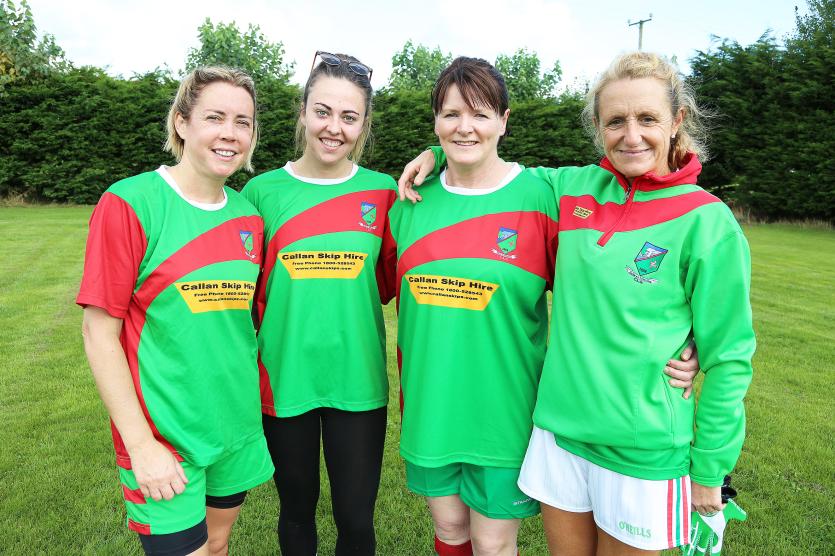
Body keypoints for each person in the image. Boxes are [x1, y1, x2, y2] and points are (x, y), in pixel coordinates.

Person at [400, 51, 754, 555]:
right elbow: (483, 164)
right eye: (616, 121)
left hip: (642, 449)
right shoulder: (572, 190)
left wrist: (710, 467)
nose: (631, 136)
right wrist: (433, 155)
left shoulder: (708, 221)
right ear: (598, 128)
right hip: (558, 437)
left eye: (647, 119)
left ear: (677, 121)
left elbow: (731, 357)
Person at [78, 66, 274, 556]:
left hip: (234, 427)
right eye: (215, 117)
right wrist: (142, 446)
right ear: (182, 123)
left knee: (218, 544)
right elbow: (98, 334)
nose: (230, 133)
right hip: (165, 439)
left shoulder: (248, 216)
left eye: (243, 122)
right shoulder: (131, 202)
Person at [240, 52, 396, 556]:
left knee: (355, 520)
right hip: (285, 380)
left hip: (358, 381)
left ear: (364, 124)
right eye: (323, 111)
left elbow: (386, 282)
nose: (334, 128)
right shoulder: (261, 192)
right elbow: (244, 289)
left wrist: (434, 157)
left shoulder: (384, 192)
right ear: (303, 111)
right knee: (296, 514)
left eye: (349, 117)